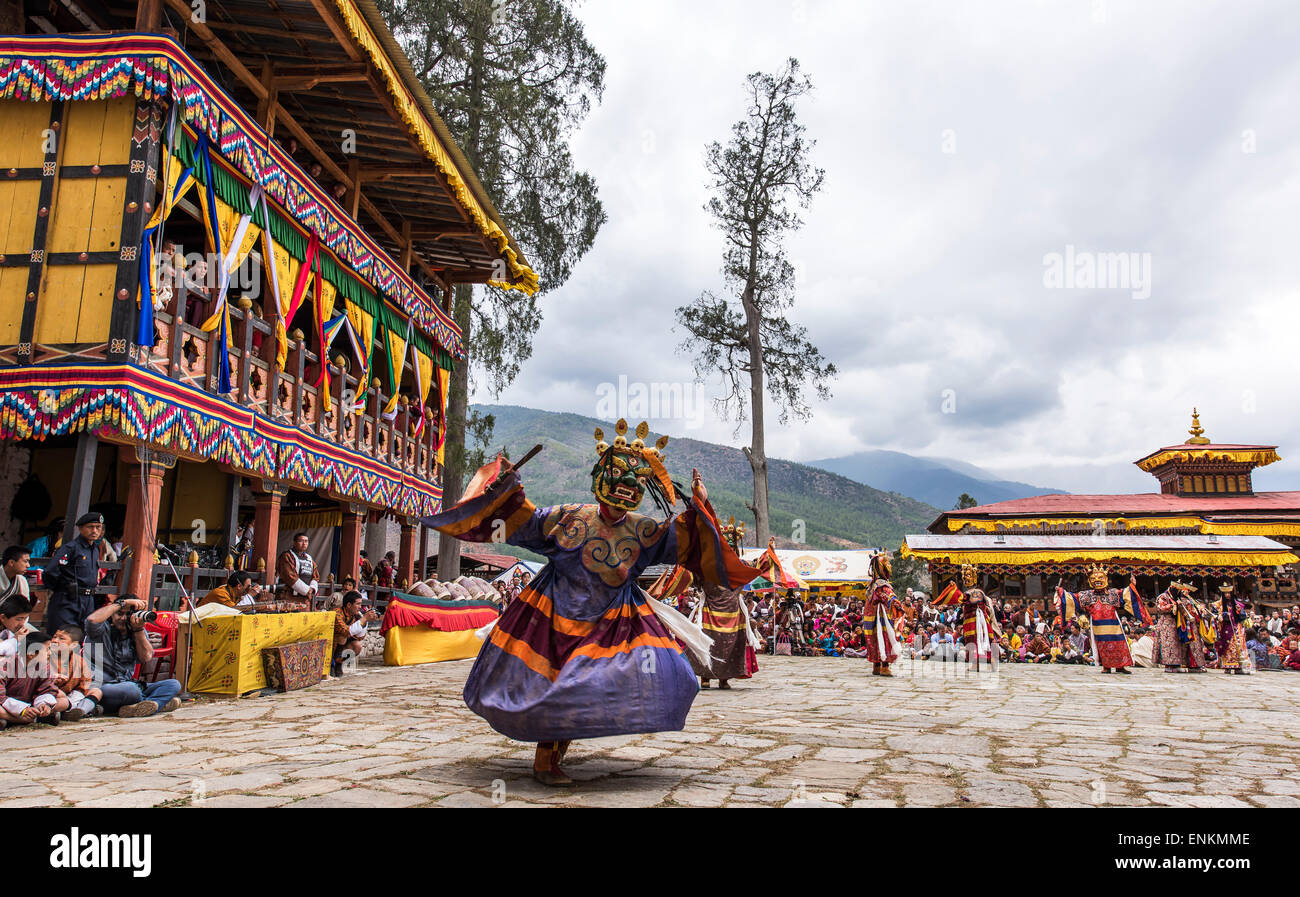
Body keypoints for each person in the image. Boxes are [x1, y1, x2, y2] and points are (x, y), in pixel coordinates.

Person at [421, 419, 756, 786]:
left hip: (612, 622)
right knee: (557, 688)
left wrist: (701, 505)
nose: (627, 489)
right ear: (602, 479)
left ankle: (557, 752)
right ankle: (546, 761)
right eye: (619, 478)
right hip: (554, 616)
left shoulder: (643, 530)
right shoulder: (568, 518)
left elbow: (686, 541)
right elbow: (523, 522)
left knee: (662, 676)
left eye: (636, 483)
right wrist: (501, 492)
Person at [82, 594, 181, 718]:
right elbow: (91, 620)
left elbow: (146, 657)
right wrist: (122, 603)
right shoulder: (101, 630)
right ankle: (156, 703)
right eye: (119, 614)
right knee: (131, 690)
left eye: (128, 615)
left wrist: (138, 631)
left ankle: (141, 706)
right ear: (112, 614)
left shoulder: (137, 630)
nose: (123, 618)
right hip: (101, 686)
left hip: (128, 683)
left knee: (173, 684)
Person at [1059, 565, 1136, 674]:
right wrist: (1061, 592)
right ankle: (1106, 666)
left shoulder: (1113, 593)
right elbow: (1072, 599)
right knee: (1101, 646)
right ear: (1090, 581)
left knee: (1119, 644)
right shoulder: (1088, 595)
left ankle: (1120, 666)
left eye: (1100, 578)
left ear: (1106, 579)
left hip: (1114, 625)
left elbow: (1126, 594)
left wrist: (1132, 586)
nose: (1097, 581)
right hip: (1098, 626)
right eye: (1094, 579)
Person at [42, 512, 105, 634]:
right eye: (90, 527)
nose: (95, 531)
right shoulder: (71, 548)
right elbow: (50, 572)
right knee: (63, 636)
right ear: (80, 529)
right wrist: (63, 588)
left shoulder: (95, 549)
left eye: (98, 527)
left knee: (83, 637)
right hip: (68, 598)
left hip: (88, 600)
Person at [0, 631, 59, 728]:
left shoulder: (44, 666)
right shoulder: (6, 665)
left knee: (62, 699)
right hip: (6, 704)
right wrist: (22, 709)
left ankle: (11, 719)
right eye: (47, 650)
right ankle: (25, 719)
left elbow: (48, 688)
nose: (50, 653)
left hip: (29, 702)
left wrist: (43, 704)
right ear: (31, 654)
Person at [47, 628, 102, 720]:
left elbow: (84, 684)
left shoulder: (79, 661)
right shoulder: (46, 657)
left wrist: (77, 694)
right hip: (54, 695)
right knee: (60, 699)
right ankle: (84, 710)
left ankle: (79, 711)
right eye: (54, 637)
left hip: (72, 697)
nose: (55, 641)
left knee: (96, 691)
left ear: (73, 645)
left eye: (61, 639)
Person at [863, 552, 904, 676]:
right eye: (888, 563)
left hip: (870, 617)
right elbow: (889, 598)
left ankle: (876, 666)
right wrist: (898, 605)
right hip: (881, 618)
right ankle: (884, 667)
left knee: (874, 639)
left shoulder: (871, 585)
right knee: (885, 638)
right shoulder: (883, 585)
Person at [332, 590, 378, 676]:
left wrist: (365, 621)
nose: (360, 607)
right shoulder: (337, 613)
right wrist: (363, 619)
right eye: (358, 604)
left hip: (343, 645)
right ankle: (334, 662)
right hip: (332, 646)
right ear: (349, 605)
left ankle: (339, 663)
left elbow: (360, 637)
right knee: (343, 637)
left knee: (357, 646)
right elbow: (346, 631)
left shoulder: (354, 615)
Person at [277, 533, 319, 607]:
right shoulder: (287, 556)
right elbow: (289, 576)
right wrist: (307, 591)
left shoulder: (309, 558)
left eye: (306, 541)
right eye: (301, 541)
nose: (304, 544)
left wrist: (312, 589)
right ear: (294, 543)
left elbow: (315, 576)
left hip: (306, 598)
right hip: (289, 597)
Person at [1216, 581, 1248, 675]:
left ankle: (1239, 665)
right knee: (1228, 647)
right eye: (1225, 593)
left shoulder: (1237, 604)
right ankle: (1228, 665)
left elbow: (1243, 616)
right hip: (1226, 628)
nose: (1227, 595)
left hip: (1236, 627)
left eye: (1229, 593)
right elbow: (1217, 616)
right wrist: (1224, 615)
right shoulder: (1219, 605)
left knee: (1239, 645)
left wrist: (1239, 612)